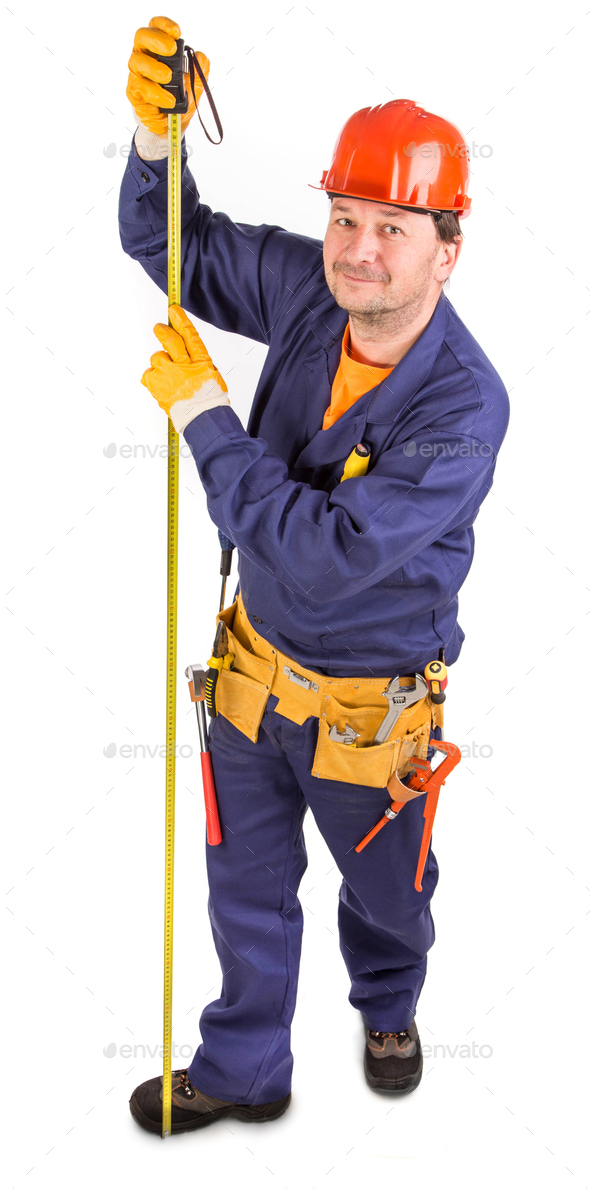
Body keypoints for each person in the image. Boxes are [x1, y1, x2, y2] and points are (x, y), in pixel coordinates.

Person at [120, 16, 509, 1136]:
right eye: (343, 217)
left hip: (368, 712)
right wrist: (156, 144)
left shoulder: (461, 408)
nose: (356, 249)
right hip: (251, 679)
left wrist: (201, 415)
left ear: (445, 248)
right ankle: (244, 1070)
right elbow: (164, 242)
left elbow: (321, 554)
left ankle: (387, 1004)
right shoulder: (307, 294)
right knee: (242, 893)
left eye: (391, 226)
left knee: (386, 898)